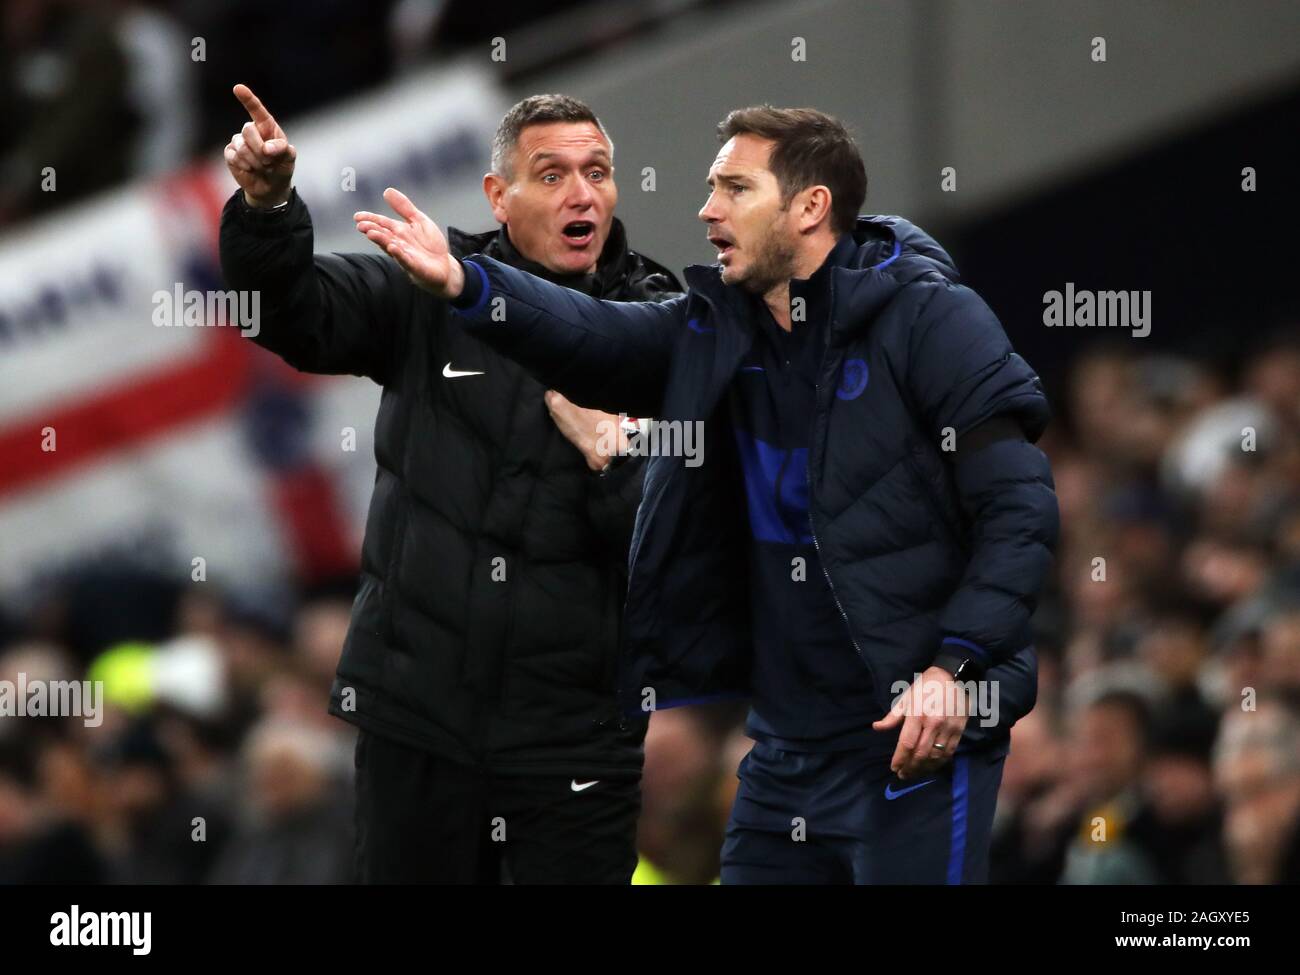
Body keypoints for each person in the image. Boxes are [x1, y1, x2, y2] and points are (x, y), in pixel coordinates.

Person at [354, 105, 1059, 884]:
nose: (706, 210)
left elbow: (1020, 510)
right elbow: (594, 334)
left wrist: (953, 667)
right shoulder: (720, 328)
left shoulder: (931, 318)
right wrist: (466, 283)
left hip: (916, 743)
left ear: (809, 207)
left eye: (733, 188)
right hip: (783, 752)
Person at [219, 85, 682, 883]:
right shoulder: (431, 286)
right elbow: (285, 313)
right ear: (499, 197)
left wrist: (618, 459)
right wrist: (267, 210)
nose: (582, 193)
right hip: (418, 720)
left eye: (598, 172)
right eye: (552, 174)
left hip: (573, 742)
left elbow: (682, 556)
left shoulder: (666, 331)